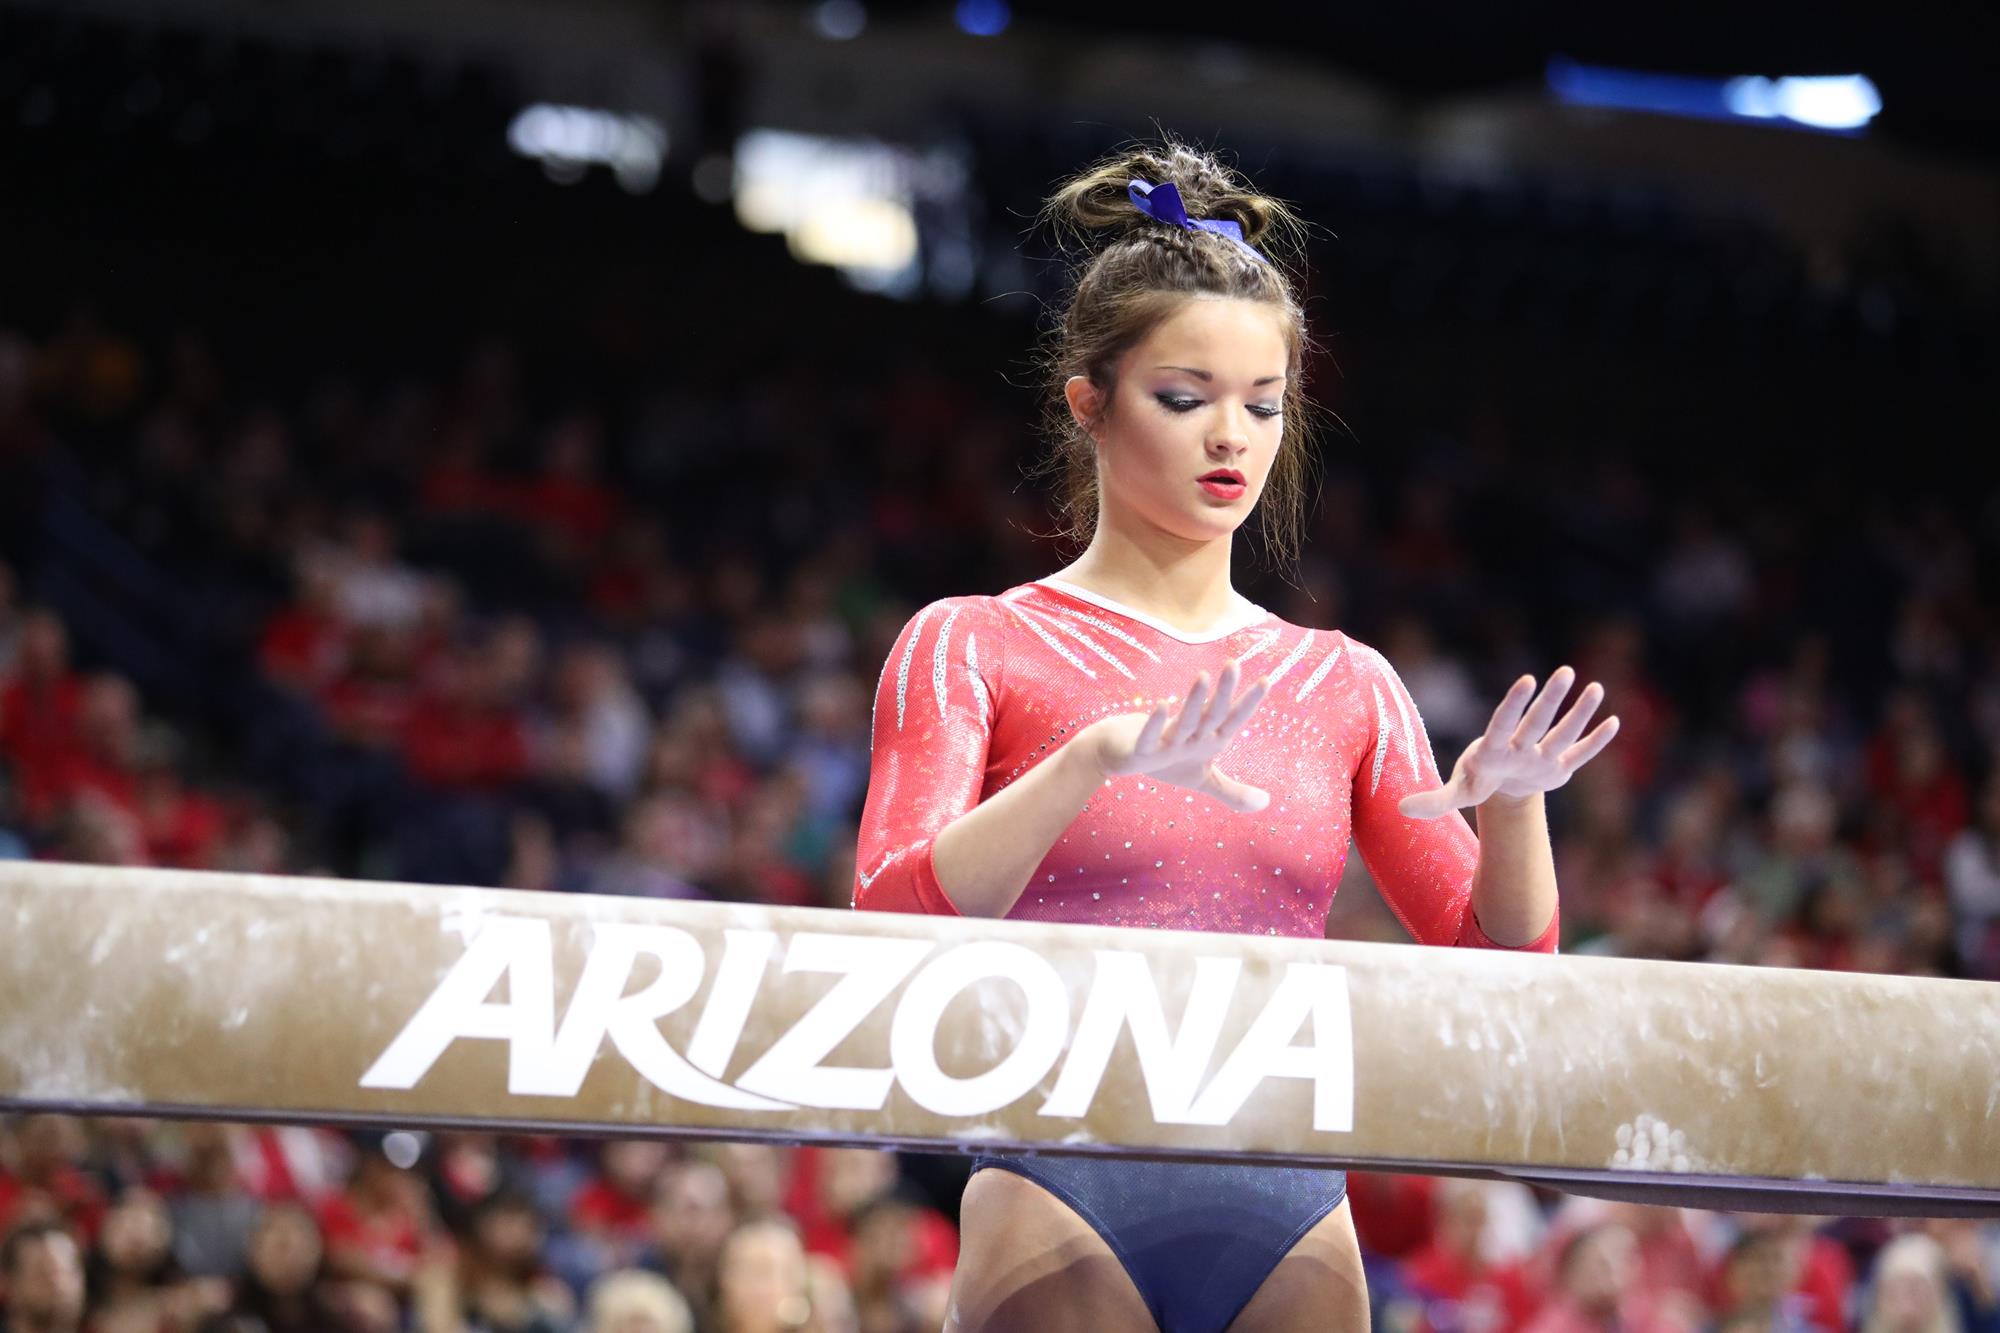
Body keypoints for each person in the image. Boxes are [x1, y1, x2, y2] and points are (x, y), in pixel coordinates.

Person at [852, 137, 1620, 1333]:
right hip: (1059, 1173)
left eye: (1261, 404)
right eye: (1184, 397)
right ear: (1089, 403)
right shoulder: (971, 643)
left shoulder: (1340, 680)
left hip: (1286, 1197)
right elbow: (882, 926)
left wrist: (1512, 805)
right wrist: (1086, 763)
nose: (1231, 437)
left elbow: (1503, 976)